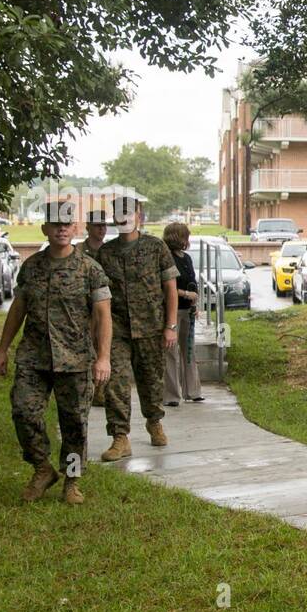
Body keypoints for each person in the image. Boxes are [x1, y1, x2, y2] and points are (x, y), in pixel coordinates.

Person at [0, 200, 111, 504]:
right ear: (45, 228)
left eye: (67, 224)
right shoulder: (31, 267)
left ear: (75, 228)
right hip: (34, 357)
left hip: (75, 359)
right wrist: (2, 349)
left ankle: (71, 481)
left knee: (74, 423)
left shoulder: (89, 269)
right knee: (23, 411)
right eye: (55, 224)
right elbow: (18, 309)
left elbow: (103, 316)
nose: (61, 229)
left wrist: (103, 357)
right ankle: (42, 469)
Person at [97, 195, 179, 460]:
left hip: (151, 328)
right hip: (117, 330)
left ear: (139, 217)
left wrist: (171, 325)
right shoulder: (105, 253)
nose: (124, 219)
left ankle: (154, 421)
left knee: (151, 382)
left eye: (129, 214)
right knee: (116, 383)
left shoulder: (156, 247)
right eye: (119, 214)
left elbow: (170, 289)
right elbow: (97, 297)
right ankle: (120, 437)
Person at [162, 222, 203, 405]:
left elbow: (192, 281)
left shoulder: (186, 258)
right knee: (170, 353)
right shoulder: (166, 258)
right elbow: (166, 287)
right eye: (185, 236)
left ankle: (193, 391)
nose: (187, 239)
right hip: (172, 311)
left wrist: (195, 302)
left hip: (188, 310)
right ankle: (171, 396)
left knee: (189, 351)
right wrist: (186, 294)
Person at [81, 209, 110, 407]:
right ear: (88, 227)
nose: (101, 229)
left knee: (104, 348)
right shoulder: (78, 251)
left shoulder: (109, 252)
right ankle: (87, 388)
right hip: (82, 310)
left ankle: (101, 391)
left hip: (104, 308)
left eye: (104, 225)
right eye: (97, 225)